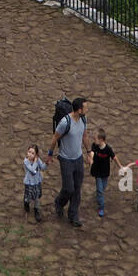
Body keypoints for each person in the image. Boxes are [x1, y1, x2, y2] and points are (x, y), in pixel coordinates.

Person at [47, 97, 90, 229]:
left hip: (78, 158)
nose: (87, 109)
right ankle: (59, 202)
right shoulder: (65, 122)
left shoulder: (83, 119)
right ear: (79, 110)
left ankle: (73, 215)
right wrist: (50, 154)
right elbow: (55, 137)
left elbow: (85, 136)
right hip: (65, 159)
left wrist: (89, 152)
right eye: (85, 107)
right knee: (68, 188)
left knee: (77, 189)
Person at [89, 128, 127, 219]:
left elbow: (114, 157)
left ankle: (99, 195)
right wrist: (90, 158)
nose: (94, 140)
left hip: (105, 172)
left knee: (103, 188)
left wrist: (120, 166)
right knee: (100, 190)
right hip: (97, 171)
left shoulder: (108, 149)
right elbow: (92, 153)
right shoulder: (94, 145)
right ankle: (101, 207)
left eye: (95, 139)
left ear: (101, 140)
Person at [22, 144, 47, 222]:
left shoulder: (37, 159)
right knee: (28, 196)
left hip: (37, 182)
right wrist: (36, 161)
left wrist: (47, 162)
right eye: (29, 152)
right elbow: (32, 170)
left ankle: (36, 210)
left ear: (36, 154)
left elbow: (42, 167)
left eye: (33, 153)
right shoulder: (26, 161)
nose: (30, 154)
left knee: (37, 197)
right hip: (29, 183)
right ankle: (26, 202)